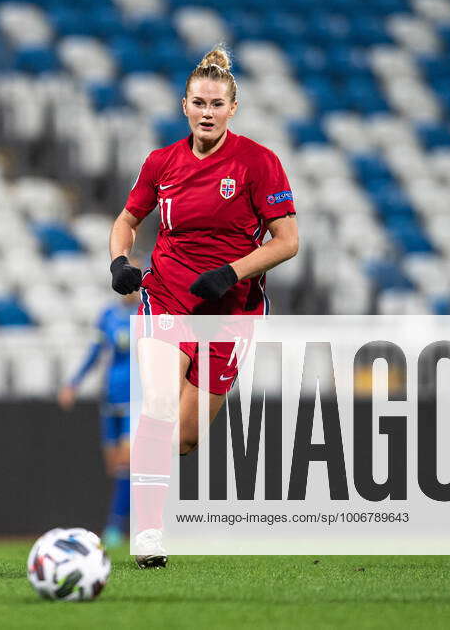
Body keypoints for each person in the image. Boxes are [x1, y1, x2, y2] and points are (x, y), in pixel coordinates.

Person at [108, 46, 299, 568]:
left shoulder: (258, 162)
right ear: (184, 106)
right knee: (159, 407)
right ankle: (147, 533)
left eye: (217, 103)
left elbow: (288, 240)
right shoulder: (160, 162)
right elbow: (126, 221)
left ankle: (149, 461)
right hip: (166, 294)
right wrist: (121, 263)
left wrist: (232, 273)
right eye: (199, 102)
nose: (207, 112)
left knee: (186, 437)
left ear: (232, 108)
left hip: (229, 308)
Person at [58, 289, 140, 547]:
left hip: (135, 397)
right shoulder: (108, 315)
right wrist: (74, 382)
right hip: (110, 397)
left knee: (127, 463)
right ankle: (130, 520)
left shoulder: (147, 313)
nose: (133, 287)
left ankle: (116, 527)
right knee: (115, 467)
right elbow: (95, 352)